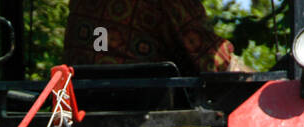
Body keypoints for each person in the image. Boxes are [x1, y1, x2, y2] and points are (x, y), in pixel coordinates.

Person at [63, 0, 249, 73]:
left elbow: (100, 44)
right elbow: (214, 63)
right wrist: (263, 83)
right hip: (136, 110)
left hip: (81, 109)